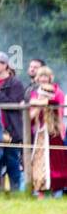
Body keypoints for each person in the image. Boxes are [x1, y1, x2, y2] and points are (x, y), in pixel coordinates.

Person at [0, 51, 25, 191]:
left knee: (12, 163)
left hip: (10, 130)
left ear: (5, 65)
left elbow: (14, 105)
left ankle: (17, 194)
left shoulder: (15, 83)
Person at [27, 67, 65, 197]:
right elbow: (30, 113)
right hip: (39, 134)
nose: (43, 79)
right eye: (41, 76)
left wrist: (41, 101)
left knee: (56, 163)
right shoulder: (33, 93)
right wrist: (36, 105)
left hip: (53, 133)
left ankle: (57, 191)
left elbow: (54, 103)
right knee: (38, 162)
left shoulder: (56, 92)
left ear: (50, 78)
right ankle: (40, 191)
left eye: (46, 76)